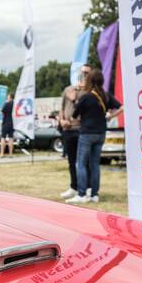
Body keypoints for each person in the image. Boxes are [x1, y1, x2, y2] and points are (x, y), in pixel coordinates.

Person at [67, 70, 120, 202]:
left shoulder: (86, 97)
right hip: (101, 133)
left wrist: (74, 100)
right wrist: (109, 116)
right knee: (95, 164)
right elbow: (121, 107)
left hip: (87, 133)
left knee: (81, 163)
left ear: (90, 81)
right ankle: (94, 195)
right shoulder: (106, 96)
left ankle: (81, 194)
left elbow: (74, 115)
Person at [58, 65, 89, 198]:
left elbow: (84, 113)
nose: (84, 75)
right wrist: (61, 120)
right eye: (82, 72)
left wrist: (75, 99)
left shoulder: (86, 92)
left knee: (83, 161)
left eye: (86, 73)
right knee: (71, 160)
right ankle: (73, 186)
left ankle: (87, 187)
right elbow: (61, 108)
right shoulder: (67, 89)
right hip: (67, 130)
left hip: (80, 130)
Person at [0, 92, 16, 157]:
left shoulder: (7, 103)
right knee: (11, 138)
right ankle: (10, 154)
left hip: (6, 122)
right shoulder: (15, 104)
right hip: (12, 123)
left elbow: (2, 112)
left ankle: (2, 154)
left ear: (9, 96)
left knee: (3, 137)